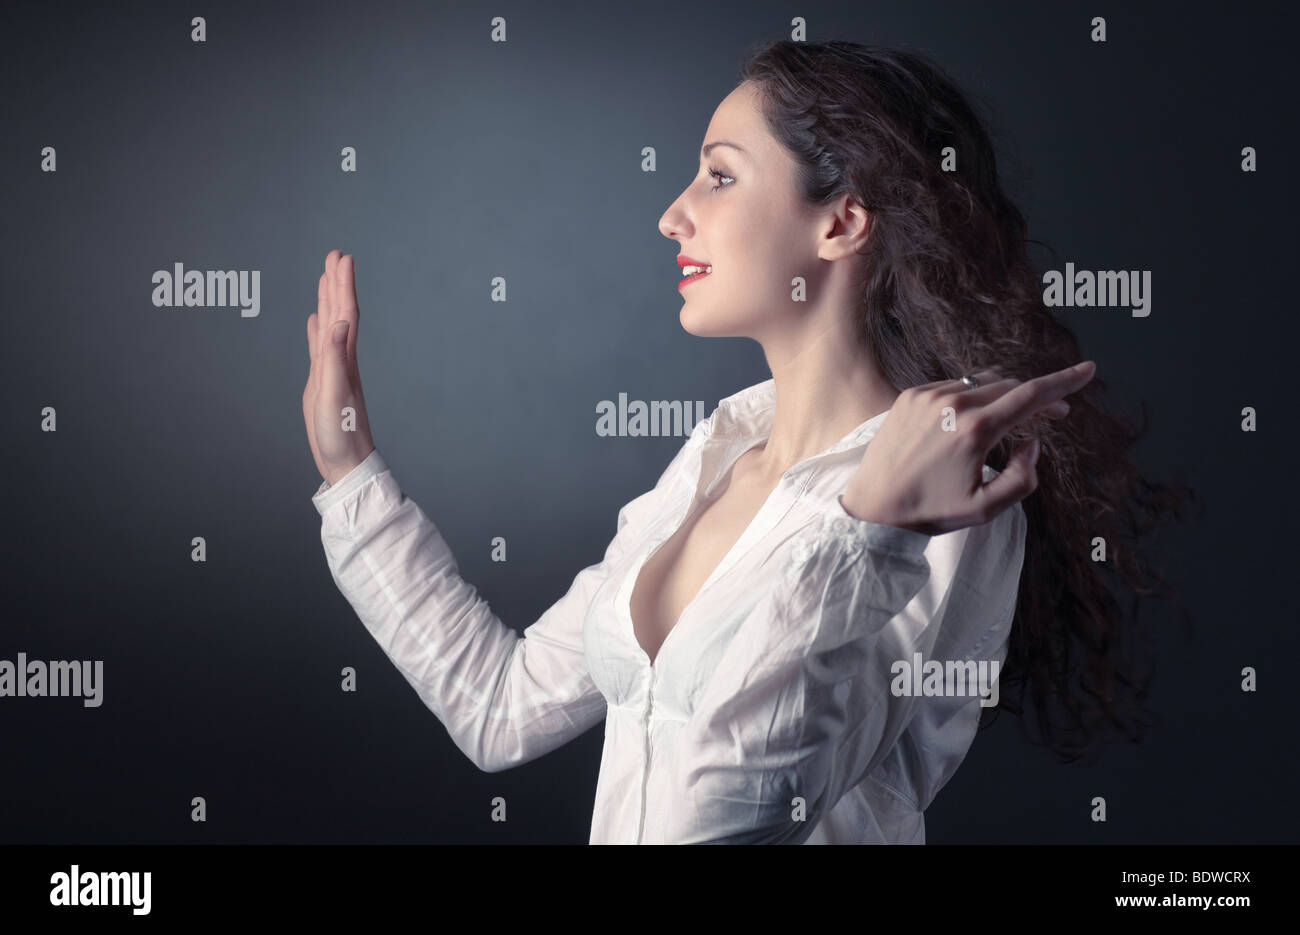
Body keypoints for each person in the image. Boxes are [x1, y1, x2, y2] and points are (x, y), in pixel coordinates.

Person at [302, 41, 1190, 844]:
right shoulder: (714, 457)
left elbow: (739, 817)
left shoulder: (944, 492)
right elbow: (498, 707)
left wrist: (867, 532)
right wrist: (351, 478)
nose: (673, 215)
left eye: (719, 178)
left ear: (840, 222)